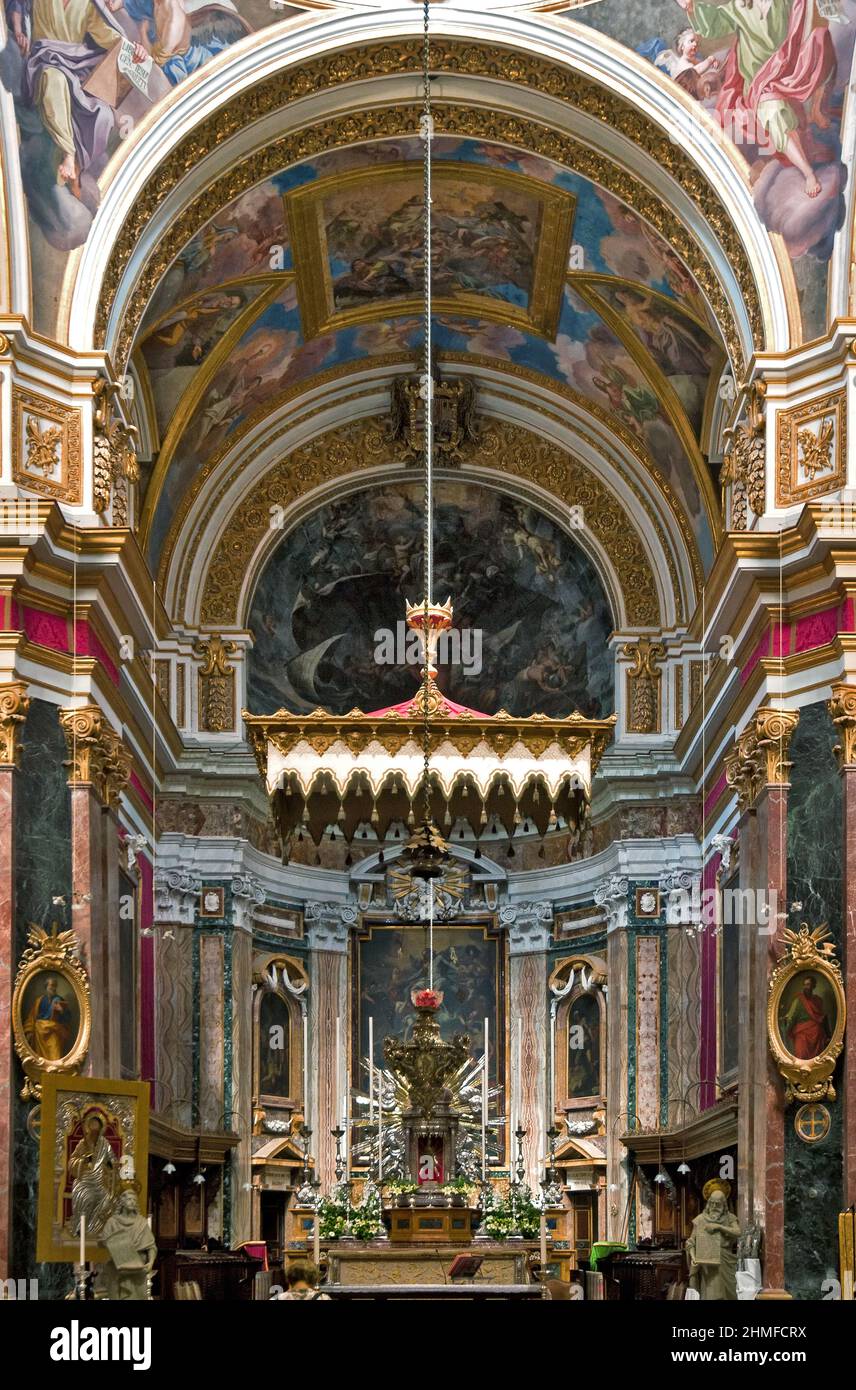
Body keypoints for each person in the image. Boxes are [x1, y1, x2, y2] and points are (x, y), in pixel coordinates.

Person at [685, 1180, 741, 1299]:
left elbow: (738, 1232)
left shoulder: (730, 1218)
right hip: (708, 1265)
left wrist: (719, 1227)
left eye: (718, 1204)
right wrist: (694, 1257)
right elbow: (690, 1242)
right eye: (712, 1203)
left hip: (725, 1262)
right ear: (709, 1203)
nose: (715, 1207)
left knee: (728, 1294)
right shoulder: (700, 1219)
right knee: (711, 1295)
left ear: (724, 1204)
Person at [98, 1189, 156, 1300]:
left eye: (134, 1200)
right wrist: (111, 1243)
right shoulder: (112, 1222)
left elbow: (151, 1246)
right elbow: (102, 1242)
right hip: (117, 1268)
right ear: (122, 1202)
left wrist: (151, 1262)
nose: (132, 1202)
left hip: (138, 1270)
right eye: (129, 1199)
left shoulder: (141, 1223)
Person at [782, 973, 830, 1059]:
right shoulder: (798, 1000)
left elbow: (822, 1017)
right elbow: (791, 1017)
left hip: (817, 1035)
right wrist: (786, 1023)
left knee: (816, 1060)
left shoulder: (818, 1000)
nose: (806, 987)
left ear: (813, 986)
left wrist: (828, 1035)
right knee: (800, 1055)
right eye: (804, 984)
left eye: (808, 984)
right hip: (802, 1034)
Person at [24, 975, 72, 1060]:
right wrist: (29, 1031)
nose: (53, 988)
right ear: (46, 987)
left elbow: (68, 1019)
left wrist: (62, 1011)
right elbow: (31, 1017)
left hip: (54, 1031)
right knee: (40, 1058)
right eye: (51, 985)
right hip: (40, 1033)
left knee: (55, 1055)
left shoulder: (60, 1000)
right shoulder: (39, 1000)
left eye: (54, 985)